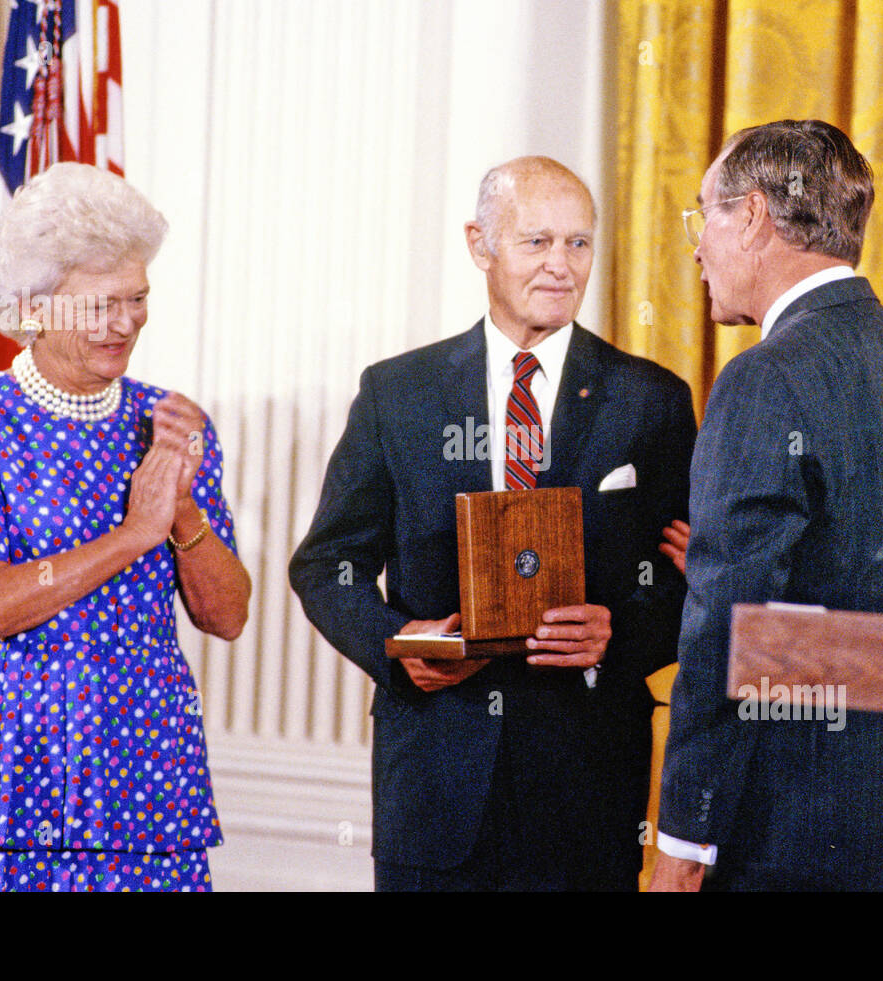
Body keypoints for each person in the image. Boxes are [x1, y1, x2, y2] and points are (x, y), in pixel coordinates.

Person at [289, 156, 696, 891]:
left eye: (578, 243)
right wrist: (398, 644)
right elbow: (326, 565)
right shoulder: (397, 394)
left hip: (587, 793)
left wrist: (618, 636)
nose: (561, 266)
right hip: (436, 785)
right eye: (536, 242)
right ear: (481, 245)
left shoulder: (653, 399)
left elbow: (689, 577)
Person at [0, 162, 251, 892]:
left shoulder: (169, 422)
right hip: (4, 765)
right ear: (34, 307)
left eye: (137, 299)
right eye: (100, 306)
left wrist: (181, 511)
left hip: (143, 765)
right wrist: (130, 537)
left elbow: (228, 615)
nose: (125, 324)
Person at [651, 120, 883, 892]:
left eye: (707, 216)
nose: (697, 247)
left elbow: (727, 634)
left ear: (756, 216)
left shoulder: (763, 378)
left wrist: (682, 844)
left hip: (778, 830)